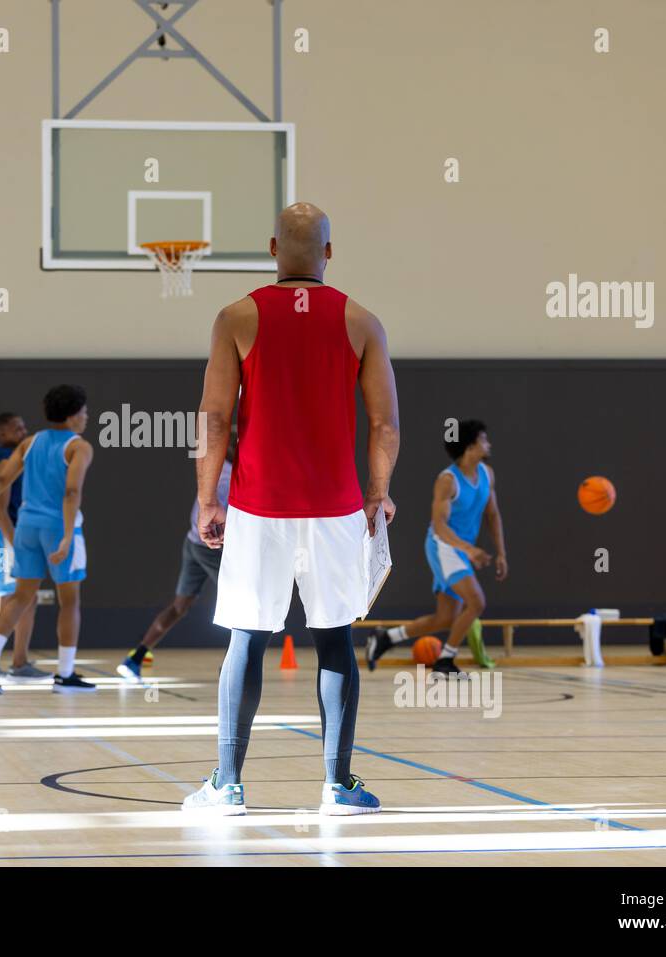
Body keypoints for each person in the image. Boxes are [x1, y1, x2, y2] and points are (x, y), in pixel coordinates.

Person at [183, 202, 399, 816]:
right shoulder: (362, 321)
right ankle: (338, 786)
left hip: (258, 505)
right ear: (329, 253)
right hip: (335, 509)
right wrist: (378, 494)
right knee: (335, 641)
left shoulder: (235, 317)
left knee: (246, 640)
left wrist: (207, 498)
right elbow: (385, 425)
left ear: (273, 247)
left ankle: (227, 787)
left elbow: (214, 417)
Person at [0, 385, 95, 695]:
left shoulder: (31, 442)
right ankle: (65, 675)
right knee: (69, 600)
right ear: (72, 416)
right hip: (58, 526)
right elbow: (72, 493)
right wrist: (69, 535)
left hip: (27, 526)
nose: (86, 417)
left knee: (20, 595)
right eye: (84, 412)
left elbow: (1, 480)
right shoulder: (78, 447)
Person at [364, 420, 507, 675]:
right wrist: (470, 550)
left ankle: (386, 637)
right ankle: (445, 661)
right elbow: (440, 528)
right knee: (476, 602)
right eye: (483, 439)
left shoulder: (487, 474)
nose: (489, 444)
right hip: (443, 546)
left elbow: (493, 514)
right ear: (470, 446)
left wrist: (501, 553)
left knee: (445, 618)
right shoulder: (448, 481)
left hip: (461, 549)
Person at [118, 432, 237, 683]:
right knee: (239, 607)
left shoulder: (212, 470)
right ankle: (231, 670)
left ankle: (135, 658)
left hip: (192, 542)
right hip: (210, 547)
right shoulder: (228, 479)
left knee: (179, 607)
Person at [0, 412, 45, 682]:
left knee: (29, 599)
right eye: (17, 428)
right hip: (4, 535)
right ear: (2, 433)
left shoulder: (23, 460)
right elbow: (0, 506)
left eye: (24, 426)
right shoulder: (3, 461)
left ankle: (20, 662)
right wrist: (14, 543)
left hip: (18, 535)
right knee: (4, 599)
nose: (23, 431)